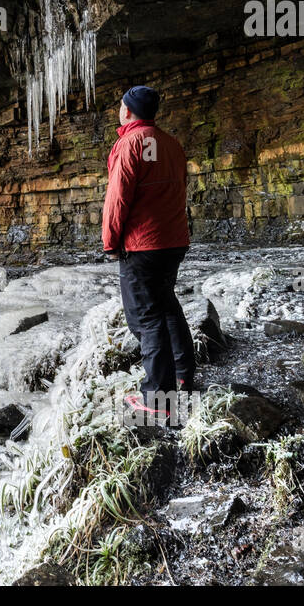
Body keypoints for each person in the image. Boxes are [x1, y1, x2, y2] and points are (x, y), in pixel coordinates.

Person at [101, 86, 196, 422]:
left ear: (129, 111)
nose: (119, 109)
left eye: (121, 105)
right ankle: (184, 373)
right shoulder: (170, 144)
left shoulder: (129, 144)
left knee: (145, 318)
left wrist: (111, 241)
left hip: (142, 245)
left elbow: (118, 197)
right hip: (173, 242)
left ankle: (158, 400)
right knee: (166, 305)